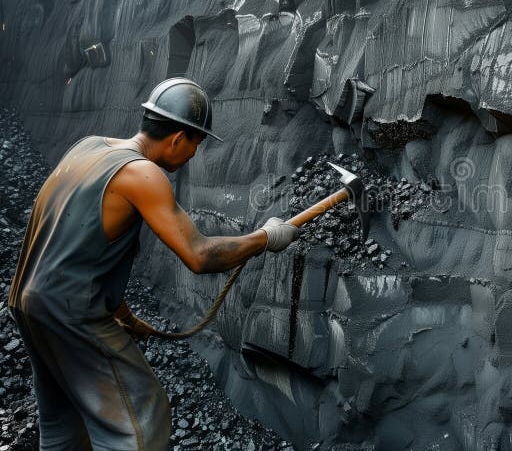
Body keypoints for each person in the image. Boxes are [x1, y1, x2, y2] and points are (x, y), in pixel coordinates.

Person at [7, 78, 299, 450]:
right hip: (70, 313)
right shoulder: (142, 174)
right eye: (196, 143)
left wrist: (124, 316)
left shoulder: (88, 148)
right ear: (178, 138)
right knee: (141, 421)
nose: (194, 154)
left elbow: (75, 249)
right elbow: (199, 254)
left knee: (65, 421)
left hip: (28, 303)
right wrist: (266, 237)